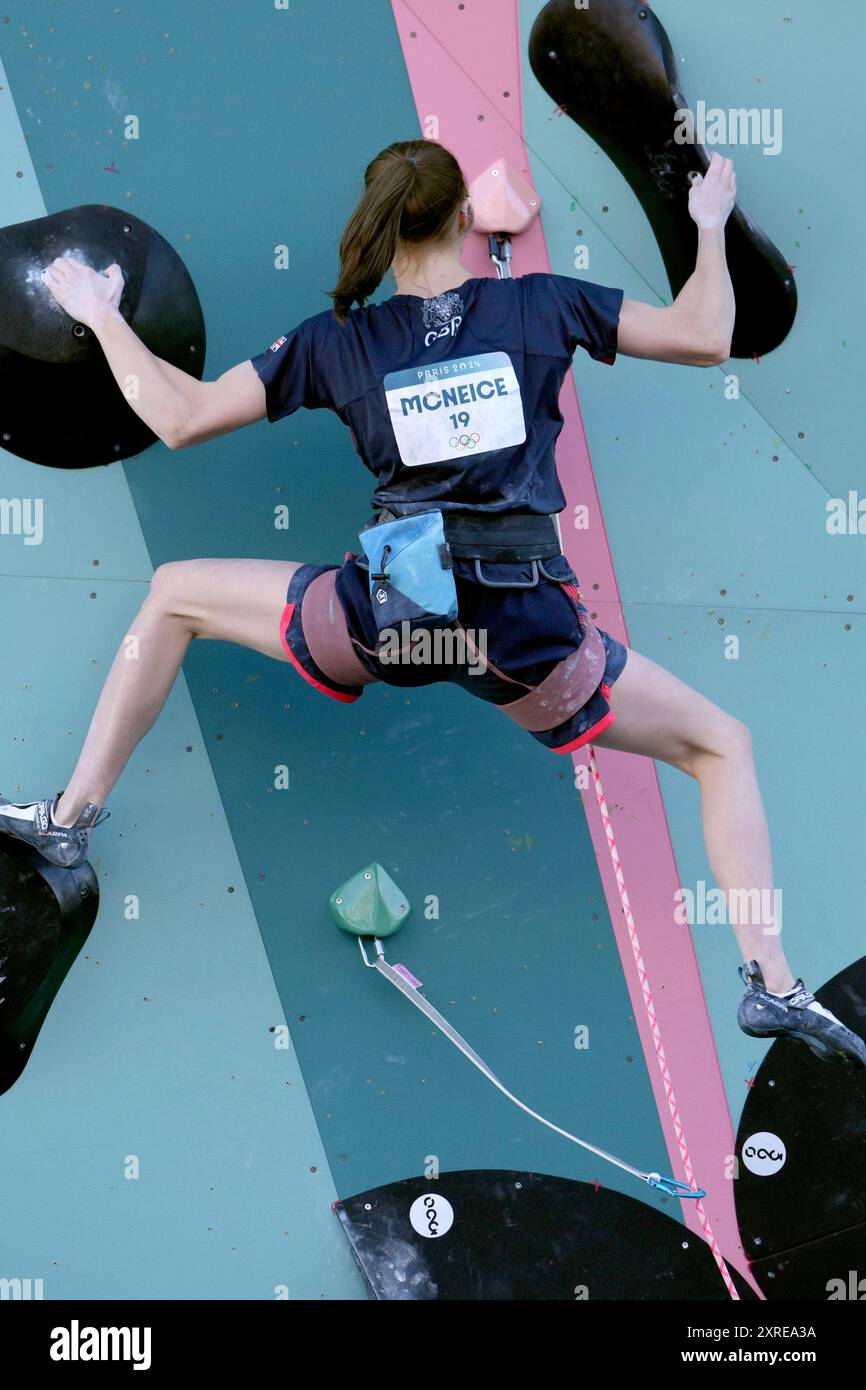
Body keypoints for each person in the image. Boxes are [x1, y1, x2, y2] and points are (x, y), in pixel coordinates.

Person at [1, 139, 862, 1067]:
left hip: (394, 617)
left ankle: (70, 822)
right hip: (525, 632)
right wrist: (705, 227)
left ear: (380, 224)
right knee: (719, 746)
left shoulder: (339, 342)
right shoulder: (542, 303)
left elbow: (179, 417)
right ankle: (771, 980)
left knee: (173, 596)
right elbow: (705, 333)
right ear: (461, 220)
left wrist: (100, 313)